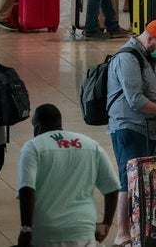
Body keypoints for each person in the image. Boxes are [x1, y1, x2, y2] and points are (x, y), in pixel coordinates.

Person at [107, 20, 156, 247]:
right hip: (129, 127)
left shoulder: (153, 57)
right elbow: (136, 100)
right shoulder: (127, 58)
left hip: (150, 128)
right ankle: (122, 233)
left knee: (145, 180)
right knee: (128, 180)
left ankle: (140, 228)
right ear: (149, 38)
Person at [16, 104, 119, 247]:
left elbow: (26, 188)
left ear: (37, 127)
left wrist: (26, 228)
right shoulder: (91, 145)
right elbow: (112, 187)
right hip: (83, 229)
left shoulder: (33, 147)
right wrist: (106, 223)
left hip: (46, 232)